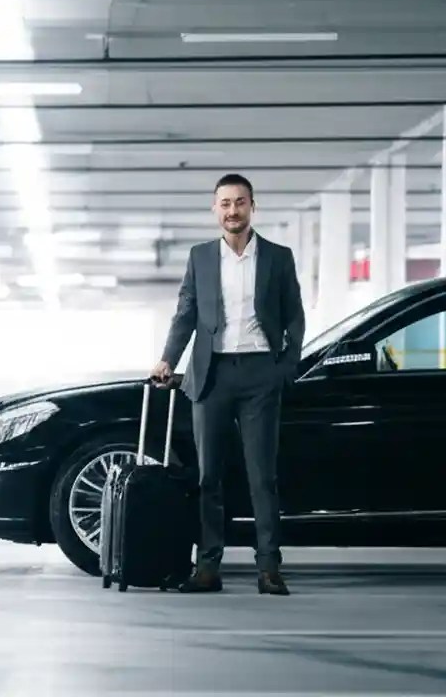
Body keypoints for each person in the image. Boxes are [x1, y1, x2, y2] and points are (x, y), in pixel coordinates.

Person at [151, 173, 304, 596]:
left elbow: (294, 315)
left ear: (253, 206)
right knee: (208, 477)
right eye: (225, 203)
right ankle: (207, 568)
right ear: (214, 209)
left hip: (260, 375)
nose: (232, 210)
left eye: (239, 202)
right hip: (211, 375)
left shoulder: (278, 257)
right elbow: (185, 312)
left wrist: (285, 367)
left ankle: (269, 568)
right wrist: (168, 359)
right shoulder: (200, 257)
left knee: (262, 477)